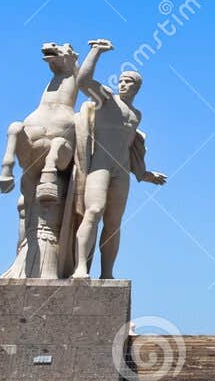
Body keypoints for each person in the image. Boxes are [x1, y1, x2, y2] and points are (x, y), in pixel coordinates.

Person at [71, 39, 167, 279]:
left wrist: (144, 174)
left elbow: (133, 147)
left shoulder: (136, 115)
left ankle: (107, 274)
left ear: (137, 88)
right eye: (121, 80)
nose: (123, 84)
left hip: (121, 170)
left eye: (128, 82)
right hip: (99, 166)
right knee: (94, 211)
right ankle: (81, 267)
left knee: (113, 224)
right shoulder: (105, 99)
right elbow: (82, 82)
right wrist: (95, 51)